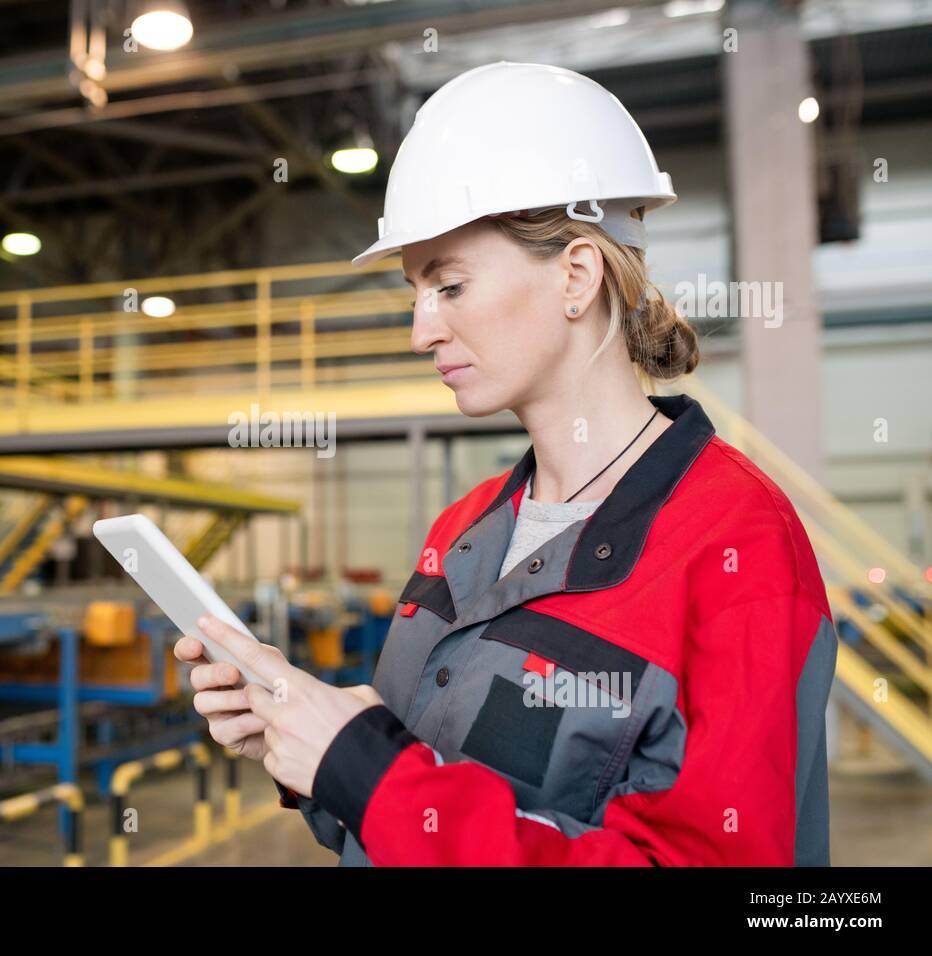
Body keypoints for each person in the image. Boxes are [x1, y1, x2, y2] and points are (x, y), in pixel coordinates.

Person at [174, 61, 837, 866]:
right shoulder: (465, 530)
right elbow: (406, 799)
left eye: (449, 286)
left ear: (577, 274)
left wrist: (368, 771)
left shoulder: (738, 549)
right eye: (415, 291)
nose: (421, 331)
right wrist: (307, 736)